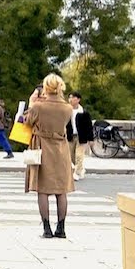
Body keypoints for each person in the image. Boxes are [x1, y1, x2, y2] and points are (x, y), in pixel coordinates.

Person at [25, 75, 75, 238]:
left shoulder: (39, 106)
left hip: (42, 147)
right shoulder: (67, 107)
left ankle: (46, 228)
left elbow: (26, 121)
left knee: (43, 190)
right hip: (61, 148)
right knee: (61, 191)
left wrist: (32, 102)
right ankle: (61, 227)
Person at [68, 92, 94, 181]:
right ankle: (80, 168)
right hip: (70, 136)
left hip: (81, 137)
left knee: (79, 155)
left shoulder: (84, 112)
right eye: (70, 98)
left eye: (73, 98)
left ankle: (76, 172)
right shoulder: (67, 111)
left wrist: (91, 139)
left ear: (78, 99)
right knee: (71, 155)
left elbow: (89, 126)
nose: (71, 100)